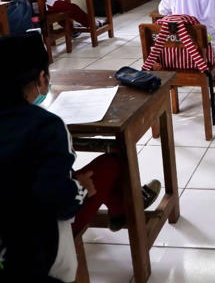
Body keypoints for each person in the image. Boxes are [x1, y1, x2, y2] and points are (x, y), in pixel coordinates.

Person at [0, 33, 160, 282]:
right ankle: (125, 209)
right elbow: (60, 203)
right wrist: (80, 187)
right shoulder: (46, 127)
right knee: (112, 162)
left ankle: (121, 210)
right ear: (42, 78)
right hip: (36, 253)